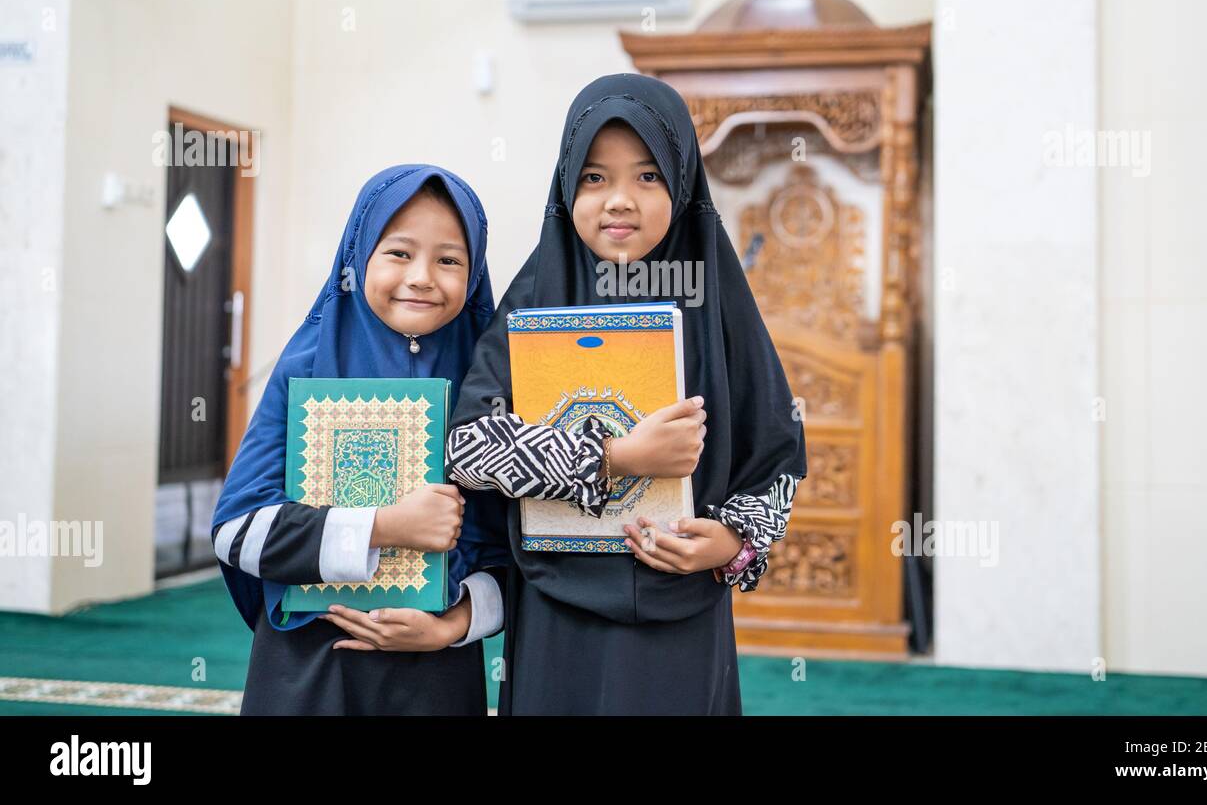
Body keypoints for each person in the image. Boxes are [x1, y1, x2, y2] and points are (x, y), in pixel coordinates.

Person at [447, 74, 806, 714]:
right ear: (565, 185)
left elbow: (776, 459)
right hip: (559, 610)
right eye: (594, 178)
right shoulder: (535, 297)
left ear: (683, 182)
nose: (619, 200)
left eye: (647, 177)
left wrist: (732, 543)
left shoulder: (715, 301)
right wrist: (612, 457)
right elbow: (469, 448)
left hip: (684, 610)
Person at [211, 165, 511, 715]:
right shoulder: (306, 369)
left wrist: (454, 623)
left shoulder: (487, 386)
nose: (421, 276)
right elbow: (235, 533)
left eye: (449, 259)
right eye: (398, 252)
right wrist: (386, 526)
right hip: (309, 669)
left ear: (473, 275)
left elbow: (514, 551)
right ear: (357, 257)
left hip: (435, 677)